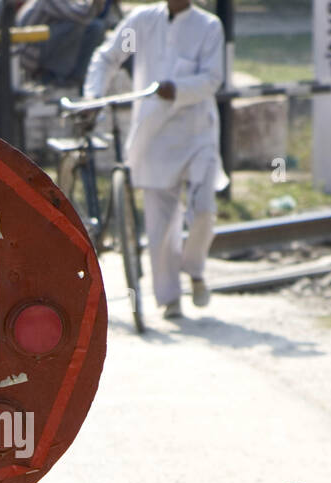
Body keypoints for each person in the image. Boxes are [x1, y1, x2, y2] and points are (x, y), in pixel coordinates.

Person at [82, 0, 228, 319]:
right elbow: (107, 57)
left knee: (204, 209)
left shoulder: (209, 26)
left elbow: (213, 79)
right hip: (154, 135)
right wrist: (94, 97)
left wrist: (175, 88)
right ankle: (169, 297)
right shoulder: (143, 20)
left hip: (197, 131)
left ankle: (195, 267)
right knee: (160, 224)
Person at [16, 0, 113, 90]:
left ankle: (76, 80)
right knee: (75, 26)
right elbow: (80, 15)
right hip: (28, 57)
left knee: (95, 27)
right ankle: (51, 77)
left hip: (38, 51)